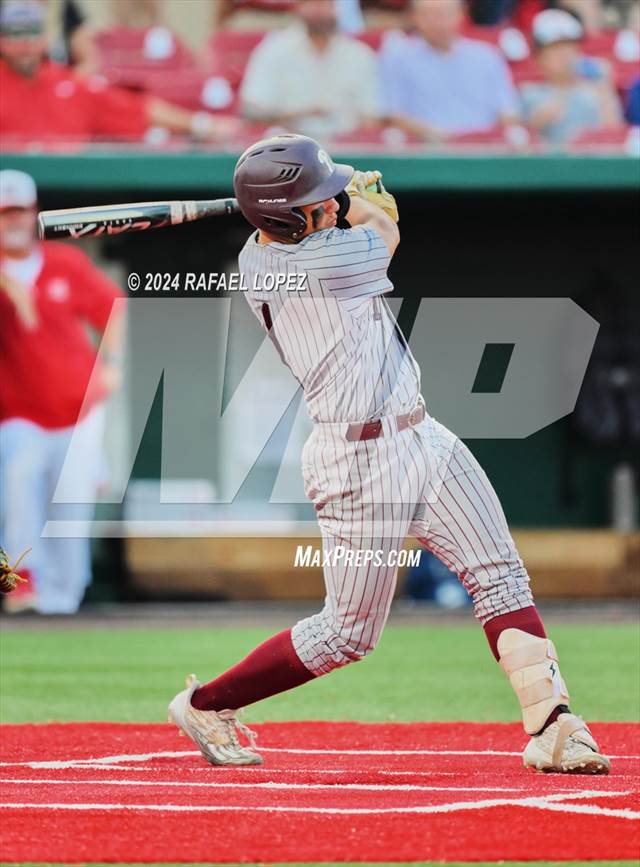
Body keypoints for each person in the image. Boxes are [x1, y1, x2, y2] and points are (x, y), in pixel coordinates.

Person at [168, 132, 611, 776]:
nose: (329, 205)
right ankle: (207, 703)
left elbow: (341, 216)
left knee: (499, 574)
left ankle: (555, 726)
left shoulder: (282, 244)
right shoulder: (308, 265)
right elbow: (383, 229)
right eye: (316, 201)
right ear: (287, 216)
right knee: (348, 635)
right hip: (356, 465)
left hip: (421, 435)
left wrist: (332, 190)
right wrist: (363, 198)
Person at [0, 170, 123, 615]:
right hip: (19, 412)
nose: (12, 221)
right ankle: (21, 583)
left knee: (70, 513)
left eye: (19, 211)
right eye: (3, 214)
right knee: (18, 482)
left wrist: (113, 364)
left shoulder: (64, 262)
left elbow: (113, 310)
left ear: (33, 213)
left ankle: (64, 605)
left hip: (79, 408)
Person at [0, 0, 238, 147]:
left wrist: (202, 124)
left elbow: (138, 110)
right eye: (14, 34)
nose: (23, 43)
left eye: (31, 33)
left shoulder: (67, 84)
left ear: (43, 39)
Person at [379, 0, 520, 141]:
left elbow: (507, 113)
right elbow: (392, 114)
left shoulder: (488, 56)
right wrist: (437, 136)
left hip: (482, 149)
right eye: (430, 15)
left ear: (461, 14)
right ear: (414, 17)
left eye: (445, 14)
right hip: (421, 150)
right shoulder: (396, 58)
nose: (438, 22)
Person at [239, 0, 381, 141]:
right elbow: (253, 111)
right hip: (288, 151)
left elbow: (372, 116)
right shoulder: (273, 50)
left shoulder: (359, 54)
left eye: (325, 4)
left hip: (348, 150)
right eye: (312, 3)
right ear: (298, 7)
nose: (319, 10)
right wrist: (303, 114)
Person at [520, 9, 623, 144]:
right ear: (539, 56)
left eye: (569, 47)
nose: (565, 55)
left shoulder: (597, 91)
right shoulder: (528, 93)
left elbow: (614, 135)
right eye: (556, 49)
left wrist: (604, 86)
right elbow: (519, 141)